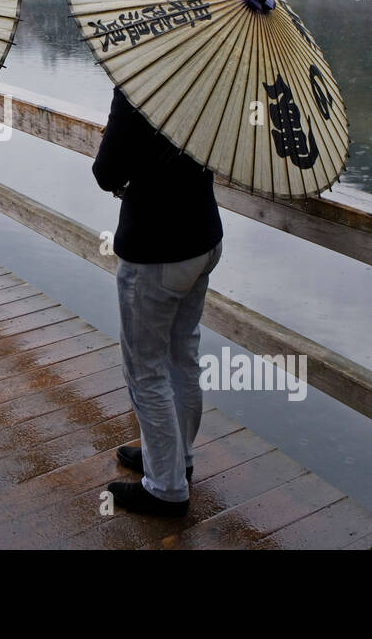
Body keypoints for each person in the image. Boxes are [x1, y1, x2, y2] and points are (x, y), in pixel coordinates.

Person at [92, 87, 223, 516]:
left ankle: (165, 489)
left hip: (157, 249)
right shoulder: (211, 73)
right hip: (203, 235)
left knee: (145, 370)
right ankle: (173, 460)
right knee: (181, 356)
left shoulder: (141, 81)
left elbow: (107, 172)